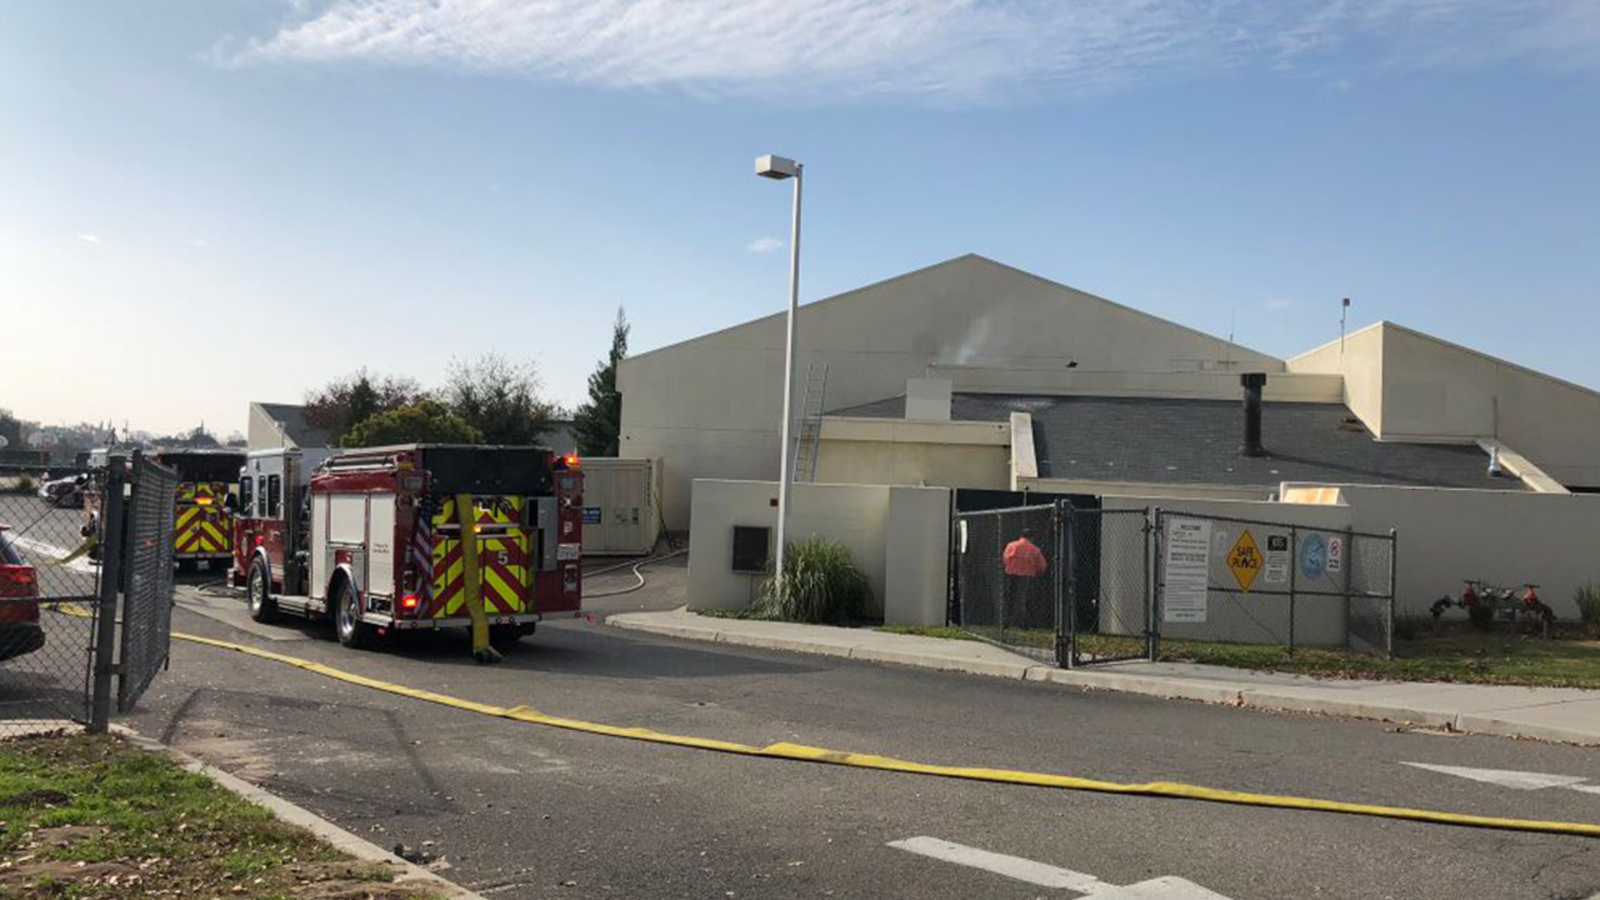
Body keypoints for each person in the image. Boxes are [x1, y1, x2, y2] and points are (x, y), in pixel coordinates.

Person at [1001, 528, 1048, 634]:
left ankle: (1006, 621)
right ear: (1032, 538)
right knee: (1023, 599)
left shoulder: (1011, 545)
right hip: (1026, 576)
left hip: (1011, 574)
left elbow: (1005, 559)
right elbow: (1042, 565)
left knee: (1010, 598)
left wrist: (1010, 567)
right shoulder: (1034, 549)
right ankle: (1023, 623)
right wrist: (1037, 572)